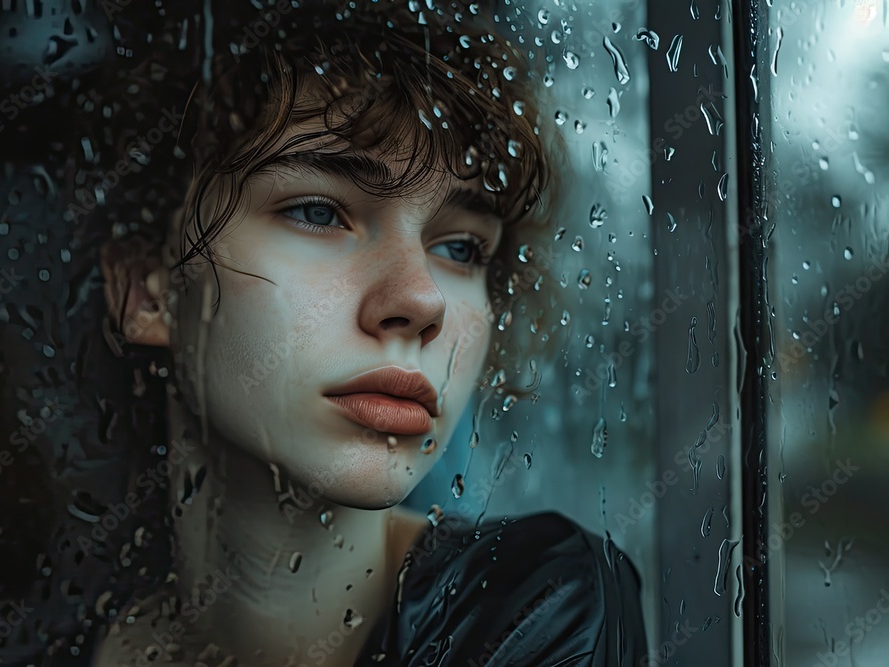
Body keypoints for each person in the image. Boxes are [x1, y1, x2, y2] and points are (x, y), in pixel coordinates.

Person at [91, 1, 647, 665]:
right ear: (148, 290)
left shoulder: (534, 601)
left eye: (463, 249)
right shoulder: (52, 643)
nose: (420, 299)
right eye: (319, 211)